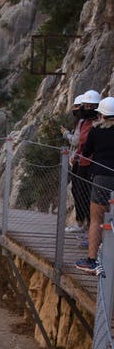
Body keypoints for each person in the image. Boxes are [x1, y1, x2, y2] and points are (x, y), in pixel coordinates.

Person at [75, 95, 114, 273]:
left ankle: (92, 261)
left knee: (97, 220)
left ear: (102, 116)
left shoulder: (96, 131)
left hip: (101, 178)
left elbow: (87, 151)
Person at [66, 90, 101, 234]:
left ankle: (89, 226)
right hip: (82, 162)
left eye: (89, 105)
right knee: (78, 191)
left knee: (88, 194)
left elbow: (90, 144)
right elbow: (81, 144)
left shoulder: (98, 124)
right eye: (85, 105)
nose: (85, 108)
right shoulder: (84, 122)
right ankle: (81, 222)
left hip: (92, 164)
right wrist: (77, 155)